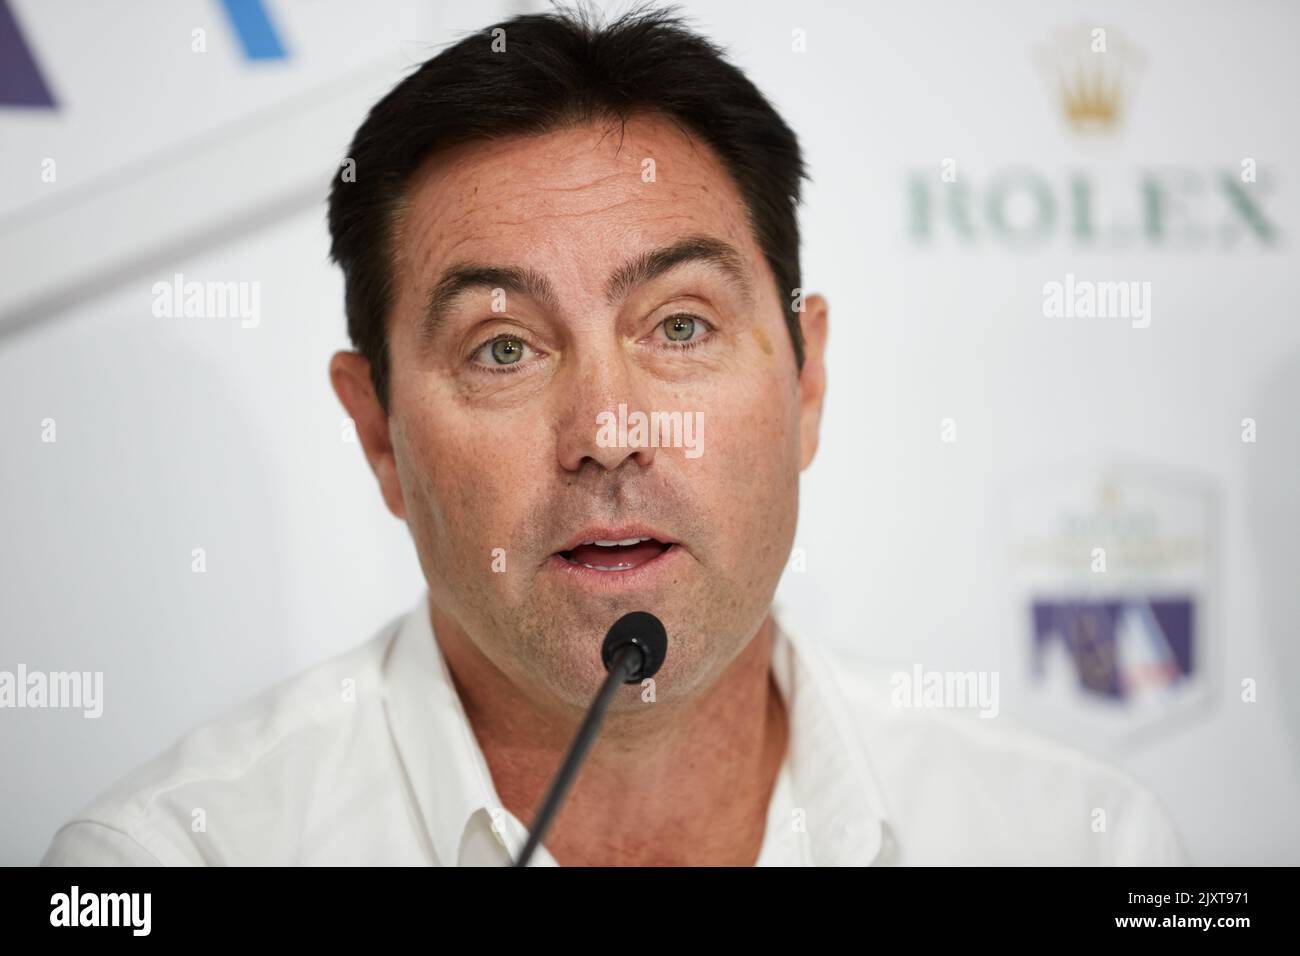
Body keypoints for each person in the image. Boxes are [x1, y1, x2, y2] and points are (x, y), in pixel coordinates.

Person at [41, 4, 1186, 867]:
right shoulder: (165, 859)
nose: (609, 430)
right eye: (502, 346)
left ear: (807, 382)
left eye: (679, 323)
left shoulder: (1079, 843)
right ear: (380, 433)